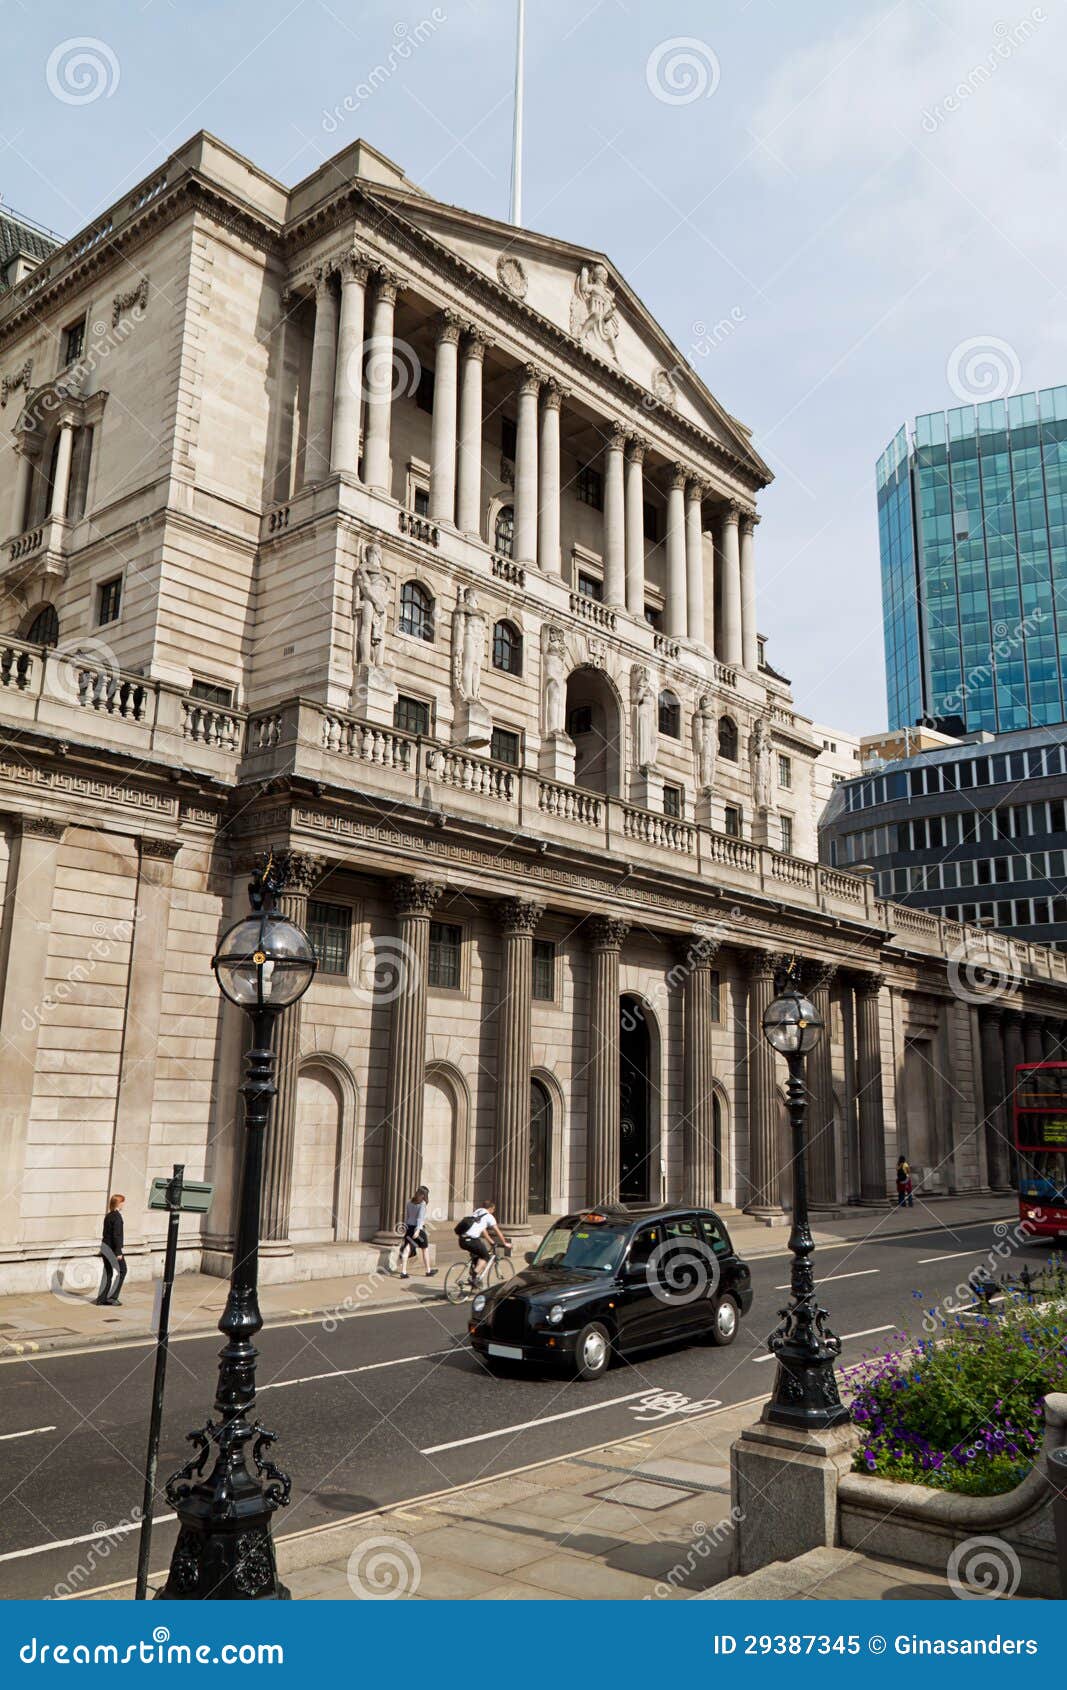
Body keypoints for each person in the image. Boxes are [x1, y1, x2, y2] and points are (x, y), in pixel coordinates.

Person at [458, 1202, 510, 1286]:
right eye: (493, 1209)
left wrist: (491, 1242)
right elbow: (497, 1231)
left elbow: (484, 1231)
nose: (493, 1211)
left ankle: (475, 1283)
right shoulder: (489, 1216)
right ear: (490, 1208)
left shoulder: (477, 1212)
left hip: (462, 1240)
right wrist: (505, 1243)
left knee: (478, 1259)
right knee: (486, 1257)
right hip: (472, 1240)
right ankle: (473, 1276)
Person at [397, 1185, 437, 1280]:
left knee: (406, 1248)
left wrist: (406, 1226)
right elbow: (420, 1218)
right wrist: (418, 1230)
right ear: (423, 1195)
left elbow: (407, 1216)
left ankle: (403, 1272)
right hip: (418, 1229)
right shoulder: (422, 1204)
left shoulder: (409, 1202)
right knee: (424, 1249)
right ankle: (428, 1271)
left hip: (409, 1227)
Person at [95, 1194, 126, 1305]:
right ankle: (112, 1297)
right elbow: (116, 1235)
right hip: (113, 1249)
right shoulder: (117, 1217)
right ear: (118, 1203)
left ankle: (101, 1299)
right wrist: (118, 1252)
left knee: (108, 1273)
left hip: (105, 1248)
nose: (123, 1205)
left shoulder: (108, 1216)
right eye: (122, 1202)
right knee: (122, 1270)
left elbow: (105, 1234)